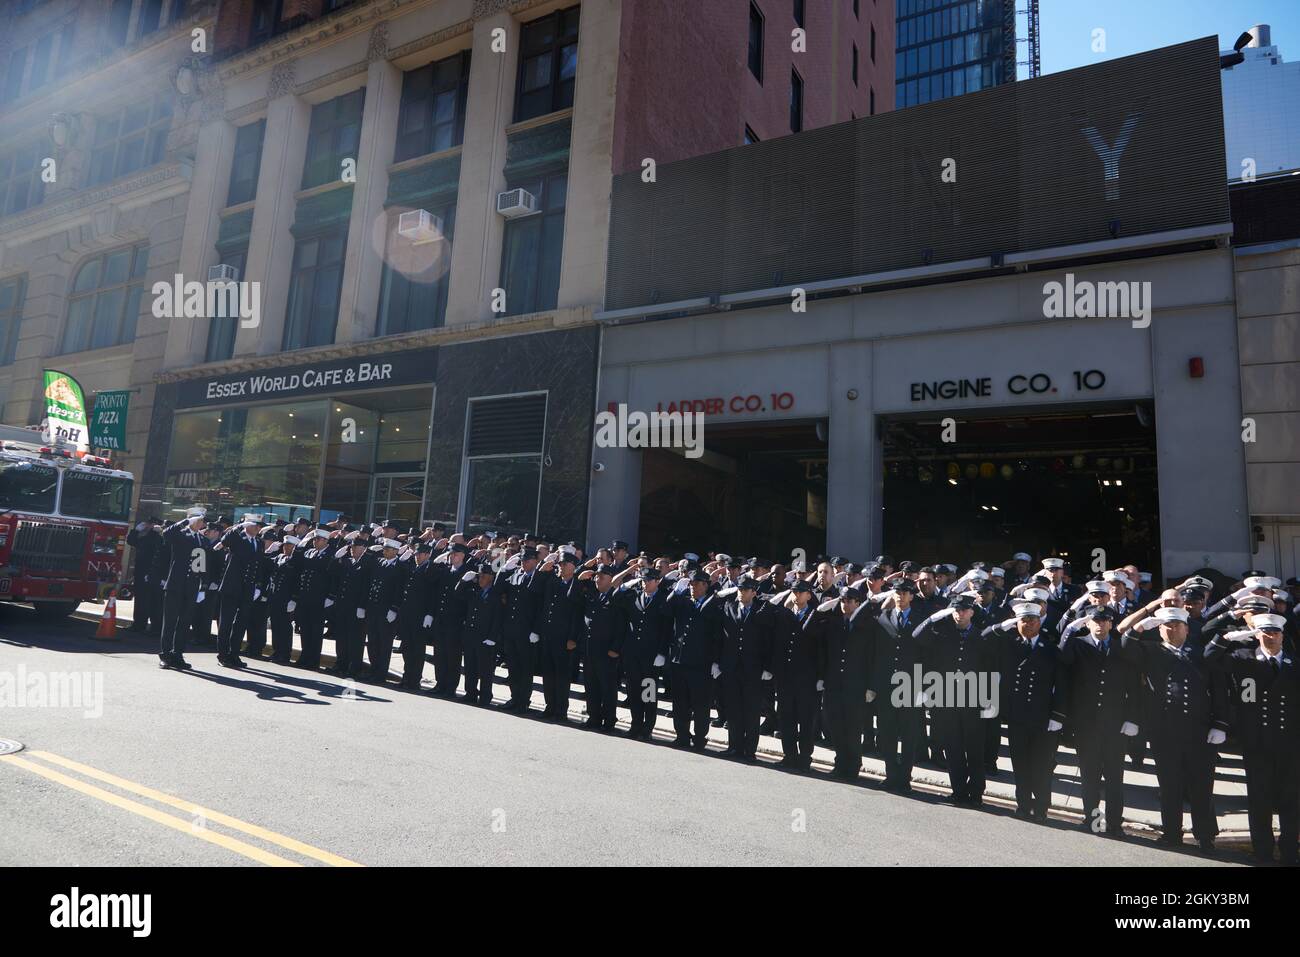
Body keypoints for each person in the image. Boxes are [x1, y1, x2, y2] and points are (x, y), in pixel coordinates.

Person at [1118, 602, 1227, 851]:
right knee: (1169, 786)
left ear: (1187, 629)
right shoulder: (1151, 651)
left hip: (1200, 733)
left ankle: (1205, 835)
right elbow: (1125, 648)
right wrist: (1140, 626)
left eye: (1177, 625)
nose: (1171, 630)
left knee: (1201, 786)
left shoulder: (1201, 653)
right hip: (1164, 731)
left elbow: (1219, 690)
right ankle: (1171, 834)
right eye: (1166, 626)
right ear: (1159, 630)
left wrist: (1220, 724)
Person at [1204, 612, 1299, 864]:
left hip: (1290, 743)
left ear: (1282, 636)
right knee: (1260, 800)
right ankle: (1263, 851)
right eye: (1266, 632)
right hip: (1257, 742)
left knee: (1291, 799)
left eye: (1276, 632)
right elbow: (1209, 658)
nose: (1271, 636)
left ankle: (1290, 850)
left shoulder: (1294, 662)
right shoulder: (1243, 658)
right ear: (1256, 635)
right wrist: (1226, 637)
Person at [981, 601, 1066, 821]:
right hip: (1017, 716)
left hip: (1043, 718)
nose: (1027, 624)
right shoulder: (1010, 645)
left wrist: (1057, 715)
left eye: (1032, 620)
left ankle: (1041, 808)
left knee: (1042, 766)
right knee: (1020, 764)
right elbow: (983, 638)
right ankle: (1023, 805)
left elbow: (1062, 685)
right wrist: (1004, 625)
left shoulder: (1051, 649)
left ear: (1040, 622)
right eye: (1022, 620)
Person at [1058, 605, 1138, 836]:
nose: (1100, 624)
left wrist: (1132, 718)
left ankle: (1114, 824)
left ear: (1111, 624)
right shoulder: (1077, 644)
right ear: (1088, 622)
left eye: (1105, 620)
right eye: (1095, 620)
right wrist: (1071, 628)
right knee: (1089, 776)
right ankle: (1092, 820)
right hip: (1087, 723)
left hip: (1115, 724)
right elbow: (1062, 659)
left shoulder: (1120, 646)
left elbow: (1133, 686)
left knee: (1115, 777)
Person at [914, 594, 989, 806]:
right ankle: (958, 791)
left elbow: (991, 669)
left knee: (974, 750)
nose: (960, 614)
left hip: (973, 703)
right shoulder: (944, 634)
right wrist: (935, 617)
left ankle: (975, 793)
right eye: (956, 610)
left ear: (972, 612)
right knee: (953, 749)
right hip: (947, 702)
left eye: (964, 610)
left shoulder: (981, 636)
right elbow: (917, 636)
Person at [869, 581, 924, 791]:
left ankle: (904, 778)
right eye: (897, 592)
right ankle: (891, 775)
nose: (900, 595)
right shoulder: (884, 617)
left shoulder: (921, 619)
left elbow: (926, 657)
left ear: (912, 596)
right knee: (887, 733)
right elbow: (876, 655)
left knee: (909, 735)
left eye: (905, 592)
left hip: (911, 686)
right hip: (887, 686)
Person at [818, 583, 875, 780]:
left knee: (852, 728)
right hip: (834, 684)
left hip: (855, 685)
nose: (845, 604)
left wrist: (870, 686)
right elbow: (822, 650)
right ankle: (840, 763)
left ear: (858, 603)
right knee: (836, 726)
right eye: (842, 600)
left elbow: (871, 658)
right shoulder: (834, 623)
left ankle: (853, 766)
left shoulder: (866, 625)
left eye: (849, 601)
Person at [716, 575, 775, 761]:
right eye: (739, 589)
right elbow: (720, 635)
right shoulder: (729, 606)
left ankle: (750, 750)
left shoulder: (762, 609)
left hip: (753, 668)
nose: (740, 592)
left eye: (745, 589)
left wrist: (768, 667)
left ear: (754, 592)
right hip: (732, 666)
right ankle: (734, 746)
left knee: (751, 711)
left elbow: (768, 641)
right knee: (733, 709)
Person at [664, 569, 724, 750]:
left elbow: (718, 636)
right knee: (680, 703)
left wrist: (716, 661)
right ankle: (681, 735)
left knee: (700, 705)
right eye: (690, 584)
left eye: (695, 584)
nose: (692, 587)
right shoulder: (683, 602)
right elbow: (665, 610)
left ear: (705, 585)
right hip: (680, 660)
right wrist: (676, 591)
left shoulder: (714, 604)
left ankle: (699, 738)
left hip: (701, 663)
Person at [770, 579, 822, 770]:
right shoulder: (783, 613)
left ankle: (805, 757)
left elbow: (820, 649)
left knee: (806, 719)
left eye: (801, 592)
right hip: (785, 676)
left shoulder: (816, 615)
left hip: (806, 677)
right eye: (794, 592)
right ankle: (789, 754)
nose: (796, 595)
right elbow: (777, 644)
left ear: (809, 595)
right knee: (786, 717)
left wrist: (820, 676)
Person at [614, 566, 671, 739]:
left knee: (648, 693)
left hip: (651, 655)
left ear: (657, 582)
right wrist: (626, 585)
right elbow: (615, 598)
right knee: (633, 691)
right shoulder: (634, 596)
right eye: (643, 581)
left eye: (649, 581)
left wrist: (662, 653)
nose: (645, 584)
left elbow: (666, 629)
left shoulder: (663, 599)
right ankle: (635, 725)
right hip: (632, 653)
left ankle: (647, 728)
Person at [535, 550, 586, 720]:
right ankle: (550, 707)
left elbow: (577, 615)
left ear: (574, 566)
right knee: (548, 674)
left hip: (564, 638)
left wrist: (573, 638)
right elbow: (536, 588)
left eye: (565, 564)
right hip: (549, 634)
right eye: (560, 564)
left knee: (562, 676)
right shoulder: (553, 582)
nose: (561, 567)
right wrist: (544, 567)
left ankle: (561, 710)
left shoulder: (578, 584)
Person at [495, 547, 545, 711]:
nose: (524, 563)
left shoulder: (540, 578)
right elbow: (498, 589)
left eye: (528, 560)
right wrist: (503, 570)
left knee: (525, 668)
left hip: (527, 631)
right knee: (513, 667)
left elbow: (540, 608)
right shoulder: (515, 575)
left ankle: (524, 700)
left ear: (536, 561)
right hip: (511, 629)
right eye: (522, 560)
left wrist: (536, 630)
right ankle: (514, 698)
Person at [158, 507, 208, 670]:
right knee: (170, 620)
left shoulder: (203, 540)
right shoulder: (180, 533)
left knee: (184, 622)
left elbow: (200, 565)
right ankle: (165, 655)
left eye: (201, 520)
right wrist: (185, 522)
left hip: (192, 586)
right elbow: (166, 534)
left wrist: (201, 586)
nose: (201, 523)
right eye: (198, 520)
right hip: (176, 583)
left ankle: (177, 654)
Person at [578, 563, 626, 730]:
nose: (598, 579)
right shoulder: (593, 595)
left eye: (602, 576)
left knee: (607, 688)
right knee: (591, 686)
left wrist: (615, 648)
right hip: (590, 649)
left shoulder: (616, 597)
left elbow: (621, 626)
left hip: (607, 651)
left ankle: (609, 720)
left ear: (611, 579)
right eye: (596, 576)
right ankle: (594, 717)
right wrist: (582, 576)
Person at [215, 515, 264, 668]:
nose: (257, 528)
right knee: (226, 622)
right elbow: (225, 541)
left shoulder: (258, 542)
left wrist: (258, 585)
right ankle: (223, 654)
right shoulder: (237, 537)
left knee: (241, 622)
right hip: (232, 586)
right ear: (247, 525)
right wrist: (238, 526)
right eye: (254, 525)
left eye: (259, 526)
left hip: (248, 587)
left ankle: (234, 654)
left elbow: (259, 564)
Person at [460, 561, 503, 705]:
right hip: (471, 636)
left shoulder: (496, 596)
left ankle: (485, 696)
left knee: (485, 670)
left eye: (483, 576)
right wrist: (463, 581)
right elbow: (458, 595)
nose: (480, 579)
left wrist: (492, 637)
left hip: (485, 638)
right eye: (479, 576)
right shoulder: (475, 591)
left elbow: (497, 618)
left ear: (491, 577)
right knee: (470, 667)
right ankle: (470, 693)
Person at [364, 539, 405, 684]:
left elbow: (399, 590)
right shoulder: (379, 562)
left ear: (395, 551)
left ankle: (381, 674)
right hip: (374, 608)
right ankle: (373, 670)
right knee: (373, 642)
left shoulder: (400, 567)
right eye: (384, 548)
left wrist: (394, 608)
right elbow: (367, 572)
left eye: (388, 549)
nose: (384, 551)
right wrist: (369, 552)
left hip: (387, 612)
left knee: (384, 644)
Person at [396, 542, 435, 690]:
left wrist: (429, 614)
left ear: (427, 555)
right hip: (407, 614)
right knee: (407, 647)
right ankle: (407, 676)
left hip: (420, 615)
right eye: (416, 554)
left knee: (417, 649)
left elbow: (432, 595)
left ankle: (414, 679)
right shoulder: (414, 567)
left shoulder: (430, 569)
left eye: (420, 554)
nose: (417, 557)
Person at [266, 535, 300, 665]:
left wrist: (294, 599)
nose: (286, 547)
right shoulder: (279, 557)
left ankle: (285, 653)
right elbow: (266, 563)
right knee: (275, 625)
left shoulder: (296, 561)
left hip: (287, 599)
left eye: (289, 545)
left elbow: (297, 581)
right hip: (275, 597)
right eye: (285, 545)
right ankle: (276, 651)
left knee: (285, 627)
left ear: (294, 547)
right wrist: (268, 551)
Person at [126, 518, 162, 635]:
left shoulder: (154, 537)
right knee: (147, 601)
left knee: (147, 601)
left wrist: (136, 531)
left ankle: (142, 625)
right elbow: (132, 541)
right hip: (146, 574)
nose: (147, 526)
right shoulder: (149, 537)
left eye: (149, 524)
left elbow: (134, 541)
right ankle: (147, 625)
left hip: (148, 573)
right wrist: (136, 531)